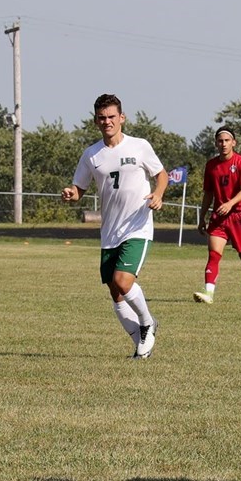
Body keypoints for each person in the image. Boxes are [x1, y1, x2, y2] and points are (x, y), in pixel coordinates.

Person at [61, 94, 168, 358]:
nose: (107, 121)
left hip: (138, 227)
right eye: (102, 118)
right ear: (95, 121)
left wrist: (158, 194)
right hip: (110, 231)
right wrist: (71, 194)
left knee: (123, 280)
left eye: (111, 116)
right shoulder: (91, 154)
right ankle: (141, 343)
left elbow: (161, 175)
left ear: (122, 117)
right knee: (115, 291)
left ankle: (147, 323)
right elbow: (79, 189)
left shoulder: (139, 146)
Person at [193, 126, 241, 303]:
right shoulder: (211, 165)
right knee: (214, 254)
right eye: (220, 141)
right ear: (216, 143)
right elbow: (208, 193)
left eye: (227, 140)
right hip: (219, 217)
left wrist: (230, 203)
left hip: (239, 216)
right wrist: (202, 217)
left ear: (233, 143)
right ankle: (209, 293)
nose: (223, 144)